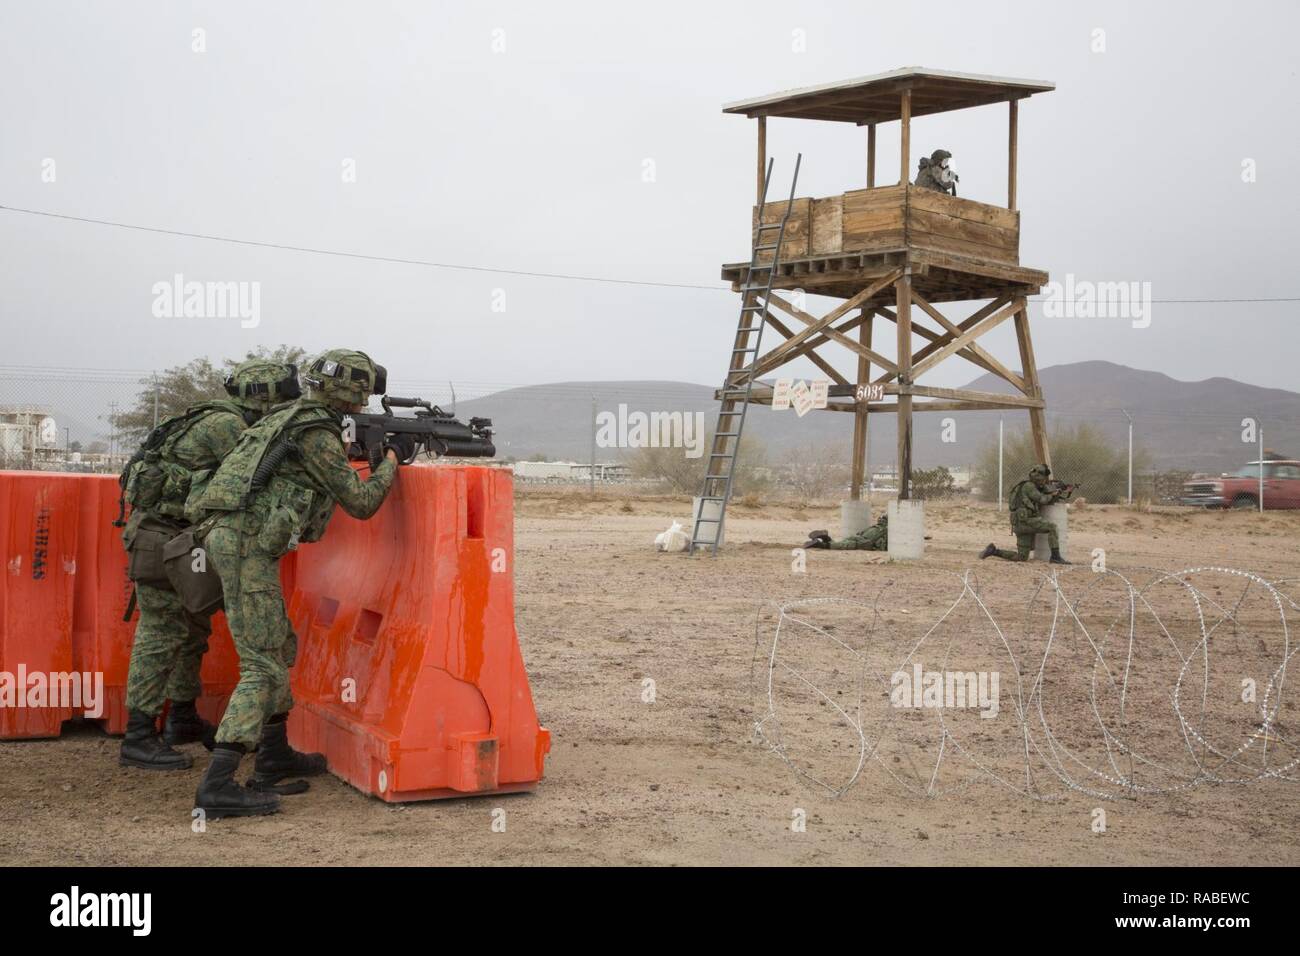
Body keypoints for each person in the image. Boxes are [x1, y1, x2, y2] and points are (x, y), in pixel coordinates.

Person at [189, 349, 402, 818]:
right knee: (264, 665)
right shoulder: (315, 432)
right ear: (355, 392)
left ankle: (273, 755)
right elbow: (362, 503)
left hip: (235, 540)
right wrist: (390, 461)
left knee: (279, 645)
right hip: (245, 546)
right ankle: (218, 785)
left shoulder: (291, 416)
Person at [118, 359, 300, 771]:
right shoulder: (227, 427)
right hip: (164, 537)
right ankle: (137, 736)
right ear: (267, 398)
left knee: (193, 629)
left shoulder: (219, 417)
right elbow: (254, 477)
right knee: (161, 632)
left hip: (178, 537)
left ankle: (180, 718)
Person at [980, 464, 1071, 564]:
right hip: (1027, 522)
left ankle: (993, 551)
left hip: (1019, 524)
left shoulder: (1024, 485)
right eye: (1044, 478)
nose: (1045, 481)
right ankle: (1055, 557)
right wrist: (1053, 494)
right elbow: (1042, 499)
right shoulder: (1029, 486)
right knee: (1052, 527)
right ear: (1039, 478)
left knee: (1021, 557)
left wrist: (1055, 491)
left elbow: (1040, 495)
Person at [804, 513, 888, 551]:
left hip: (859, 538)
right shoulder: (887, 530)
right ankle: (821, 544)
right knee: (842, 546)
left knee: (842, 543)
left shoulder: (875, 527)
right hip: (866, 543)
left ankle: (826, 538)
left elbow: (861, 532)